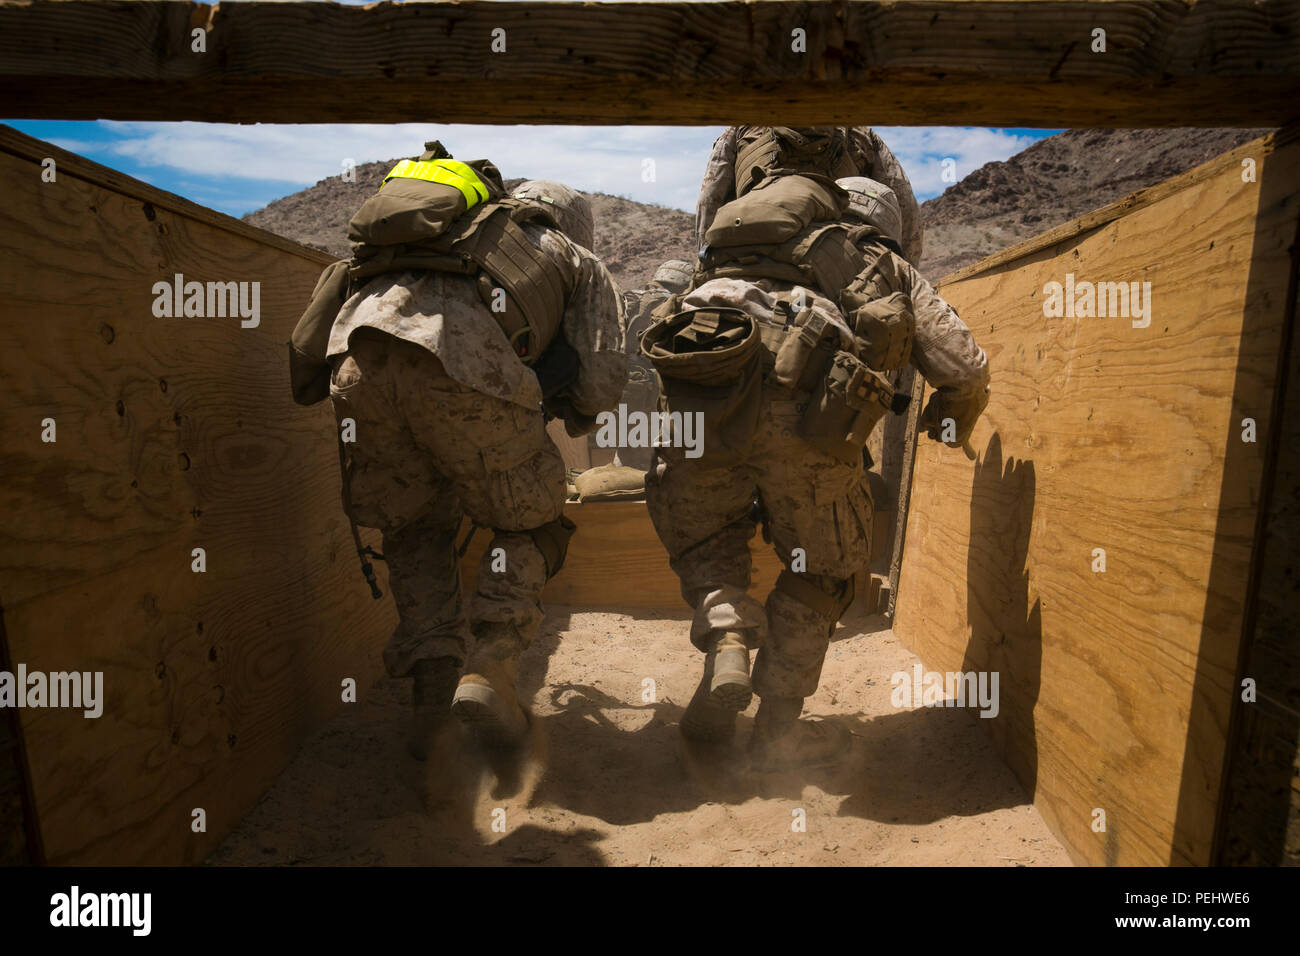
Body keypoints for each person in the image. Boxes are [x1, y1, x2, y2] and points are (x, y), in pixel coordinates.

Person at [643, 173, 986, 771]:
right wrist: (950, 414)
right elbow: (964, 366)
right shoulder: (879, 261)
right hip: (805, 427)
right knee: (825, 568)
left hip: (703, 405)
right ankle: (775, 733)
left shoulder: (721, 255)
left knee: (707, 538)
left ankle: (726, 638)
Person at [318, 166, 624, 757]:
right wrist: (554, 400)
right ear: (575, 223)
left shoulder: (444, 236)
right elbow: (601, 382)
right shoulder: (571, 256)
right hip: (462, 367)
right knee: (530, 520)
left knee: (414, 525)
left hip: (356, 372)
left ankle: (434, 690)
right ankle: (491, 669)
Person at [693, 126, 924, 265]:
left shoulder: (741, 128)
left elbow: (709, 199)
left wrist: (706, 257)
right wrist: (904, 275)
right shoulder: (861, 134)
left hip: (750, 247)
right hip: (837, 253)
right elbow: (904, 208)